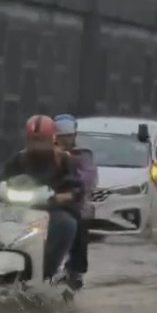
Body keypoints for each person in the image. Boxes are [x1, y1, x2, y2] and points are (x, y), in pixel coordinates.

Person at [0, 115, 82, 281]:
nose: (37, 145)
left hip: (51, 210)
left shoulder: (63, 160)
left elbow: (76, 187)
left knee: (71, 223)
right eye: (33, 140)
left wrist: (63, 197)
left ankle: (66, 269)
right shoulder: (18, 160)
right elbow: (2, 181)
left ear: (52, 139)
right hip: (18, 210)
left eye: (41, 140)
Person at [53, 114, 96, 289]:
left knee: (78, 224)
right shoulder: (41, 154)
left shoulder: (82, 156)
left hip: (70, 202)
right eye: (61, 137)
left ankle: (75, 270)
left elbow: (88, 178)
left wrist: (75, 190)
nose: (65, 140)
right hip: (43, 201)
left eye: (68, 136)